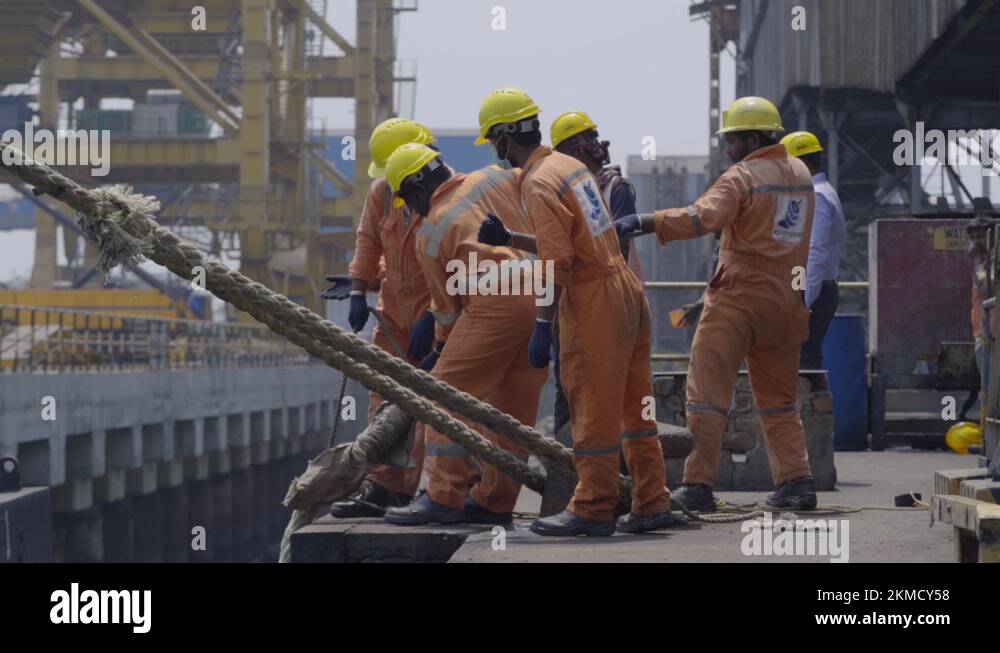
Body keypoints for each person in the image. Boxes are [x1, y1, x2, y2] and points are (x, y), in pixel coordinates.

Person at [475, 87, 673, 536]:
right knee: (635, 406)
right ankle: (651, 500)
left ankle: (593, 507)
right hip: (625, 290)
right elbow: (577, 242)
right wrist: (511, 239)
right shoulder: (569, 169)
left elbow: (556, 263)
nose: (495, 150)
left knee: (592, 407)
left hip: (594, 302)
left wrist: (543, 324)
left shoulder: (538, 182)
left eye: (493, 140)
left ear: (506, 137)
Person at [615, 96, 819, 512]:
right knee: (780, 400)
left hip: (738, 297)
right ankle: (797, 483)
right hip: (787, 300)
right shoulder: (800, 173)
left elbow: (699, 218)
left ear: (752, 138)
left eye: (732, 140)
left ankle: (698, 485)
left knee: (706, 394)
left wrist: (645, 222)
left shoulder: (741, 177)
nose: (728, 148)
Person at [380, 143, 549, 526]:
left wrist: (439, 352)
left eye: (406, 199)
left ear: (417, 187)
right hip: (543, 303)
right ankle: (495, 501)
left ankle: (444, 496)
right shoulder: (493, 177)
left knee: (443, 396)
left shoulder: (432, 229)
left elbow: (446, 310)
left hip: (496, 307)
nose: (409, 208)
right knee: (513, 410)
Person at [325, 118, 436, 518]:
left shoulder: (445, 196)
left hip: (436, 318)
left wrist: (438, 316)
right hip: (394, 315)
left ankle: (437, 491)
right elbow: (369, 241)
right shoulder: (382, 193)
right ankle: (385, 486)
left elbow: (461, 262)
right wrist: (358, 289)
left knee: (435, 409)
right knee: (382, 400)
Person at [548, 110, 644, 438]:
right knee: (567, 384)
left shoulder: (614, 187)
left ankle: (605, 468)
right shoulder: (562, 190)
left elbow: (618, 239)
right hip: (569, 304)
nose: (596, 145)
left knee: (605, 384)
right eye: (587, 139)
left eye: (594, 137)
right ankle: (565, 465)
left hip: (608, 301)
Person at [780, 131, 846, 370]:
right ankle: (809, 406)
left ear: (800, 164)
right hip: (814, 288)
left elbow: (815, 253)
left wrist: (802, 302)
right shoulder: (822, 192)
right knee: (803, 357)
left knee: (803, 360)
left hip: (813, 291)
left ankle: (809, 407)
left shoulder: (816, 197)